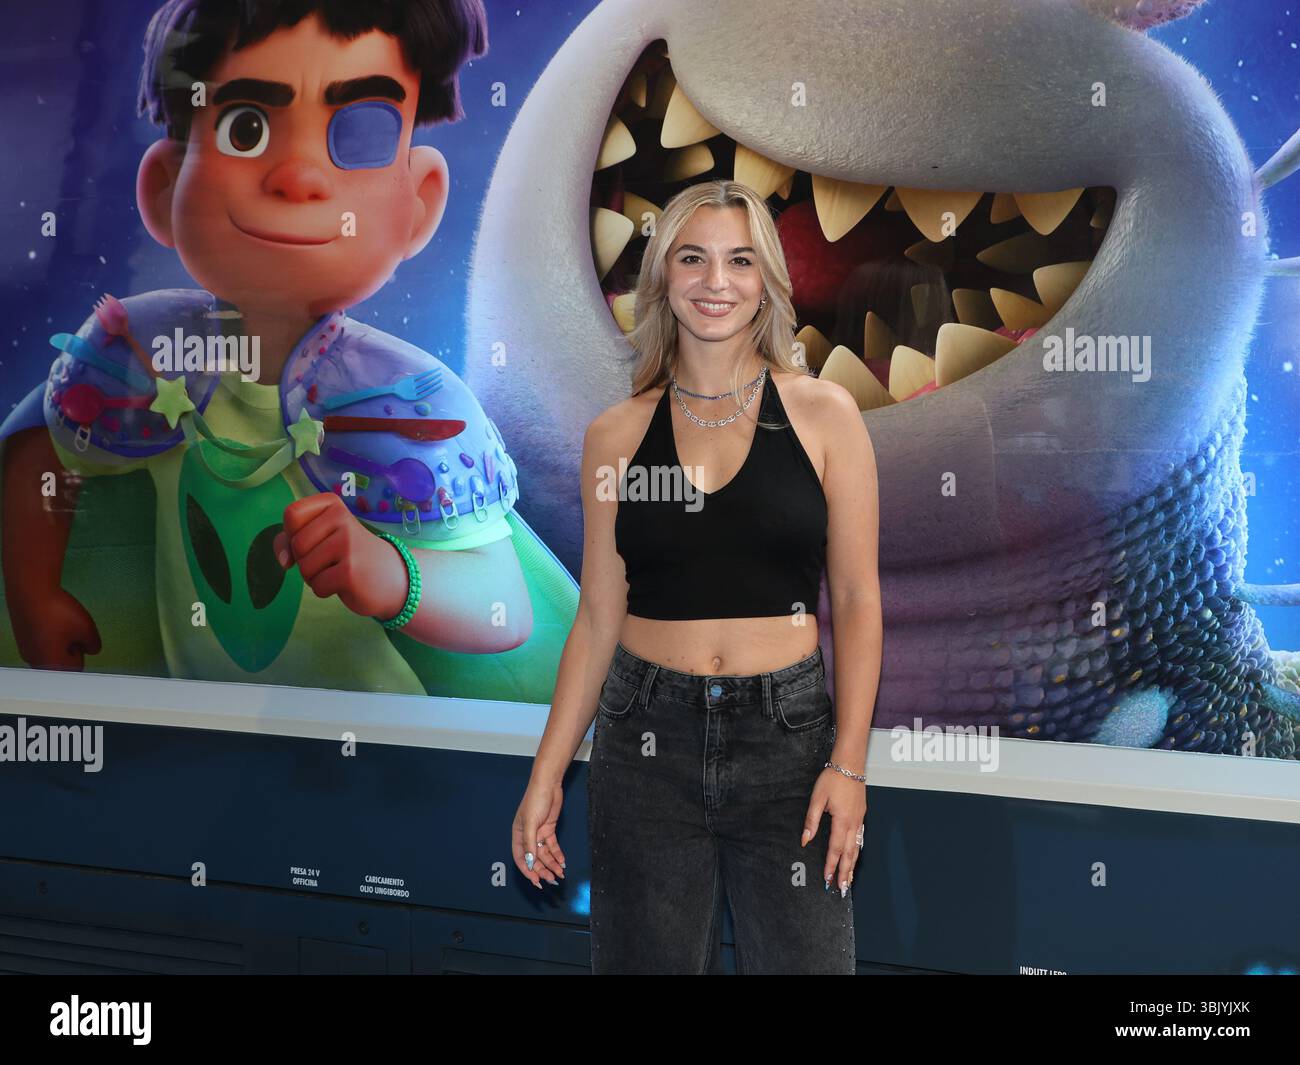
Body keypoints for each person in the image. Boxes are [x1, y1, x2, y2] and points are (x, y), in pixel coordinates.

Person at [512, 179, 883, 974]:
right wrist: (547, 773)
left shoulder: (825, 415)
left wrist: (847, 765)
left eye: (740, 261)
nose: (717, 282)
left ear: (767, 282)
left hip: (789, 744)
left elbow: (856, 602)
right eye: (694, 258)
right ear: (662, 278)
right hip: (644, 744)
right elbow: (596, 617)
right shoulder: (614, 437)